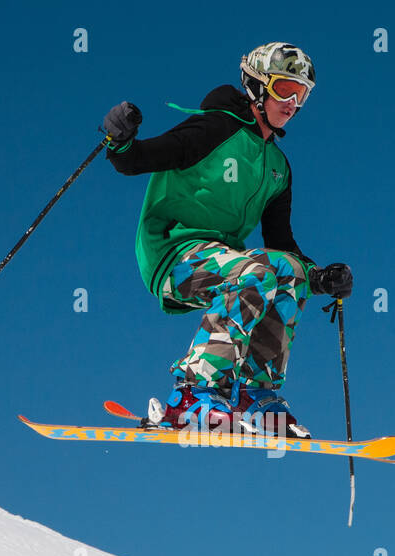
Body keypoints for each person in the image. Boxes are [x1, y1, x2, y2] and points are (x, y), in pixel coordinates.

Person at [101, 41, 353, 438]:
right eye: (285, 89)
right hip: (175, 254)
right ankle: (190, 394)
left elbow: (281, 244)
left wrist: (320, 278)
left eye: (301, 94)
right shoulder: (214, 129)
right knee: (257, 271)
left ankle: (254, 393)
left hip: (226, 261)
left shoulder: (278, 168)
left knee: (289, 271)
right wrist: (119, 139)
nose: (293, 103)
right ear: (257, 85)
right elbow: (135, 160)